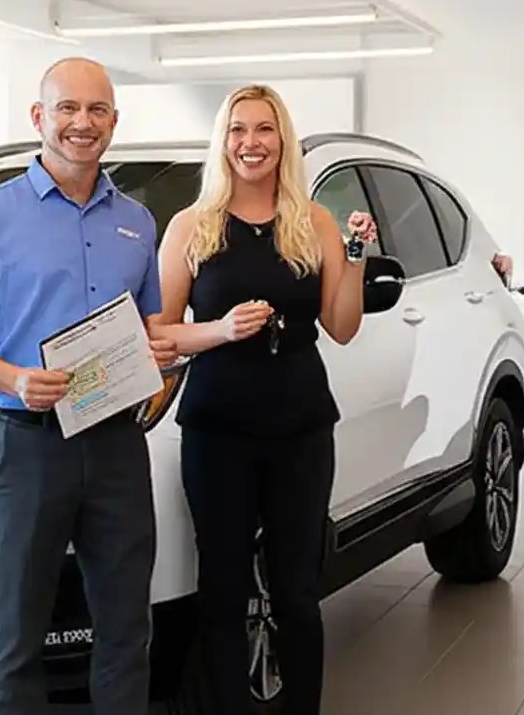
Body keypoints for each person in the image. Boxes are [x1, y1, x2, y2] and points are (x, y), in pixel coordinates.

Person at [0, 57, 178, 715]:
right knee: (19, 636)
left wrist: (190, 350)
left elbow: (150, 331)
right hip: (30, 445)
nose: (81, 123)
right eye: (67, 108)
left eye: (96, 111)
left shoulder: (138, 223)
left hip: (118, 444)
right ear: (40, 117)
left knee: (126, 628)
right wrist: (13, 378)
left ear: (113, 123)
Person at [153, 84, 369, 714]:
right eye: (238, 130)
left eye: (265, 130)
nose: (251, 143)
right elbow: (159, 332)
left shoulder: (315, 221)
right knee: (220, 591)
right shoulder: (192, 226)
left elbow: (343, 325)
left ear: (284, 140)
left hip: (301, 429)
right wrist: (220, 330)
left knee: (298, 592)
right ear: (222, 142)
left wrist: (354, 255)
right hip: (217, 430)